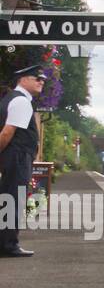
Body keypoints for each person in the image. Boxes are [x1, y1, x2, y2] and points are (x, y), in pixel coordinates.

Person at [0, 64, 45, 257]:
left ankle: (5, 243)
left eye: (42, 79)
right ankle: (9, 245)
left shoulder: (14, 99)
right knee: (14, 200)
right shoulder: (21, 102)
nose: (41, 81)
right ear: (22, 79)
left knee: (8, 199)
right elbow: (7, 132)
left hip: (15, 156)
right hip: (17, 157)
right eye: (37, 78)